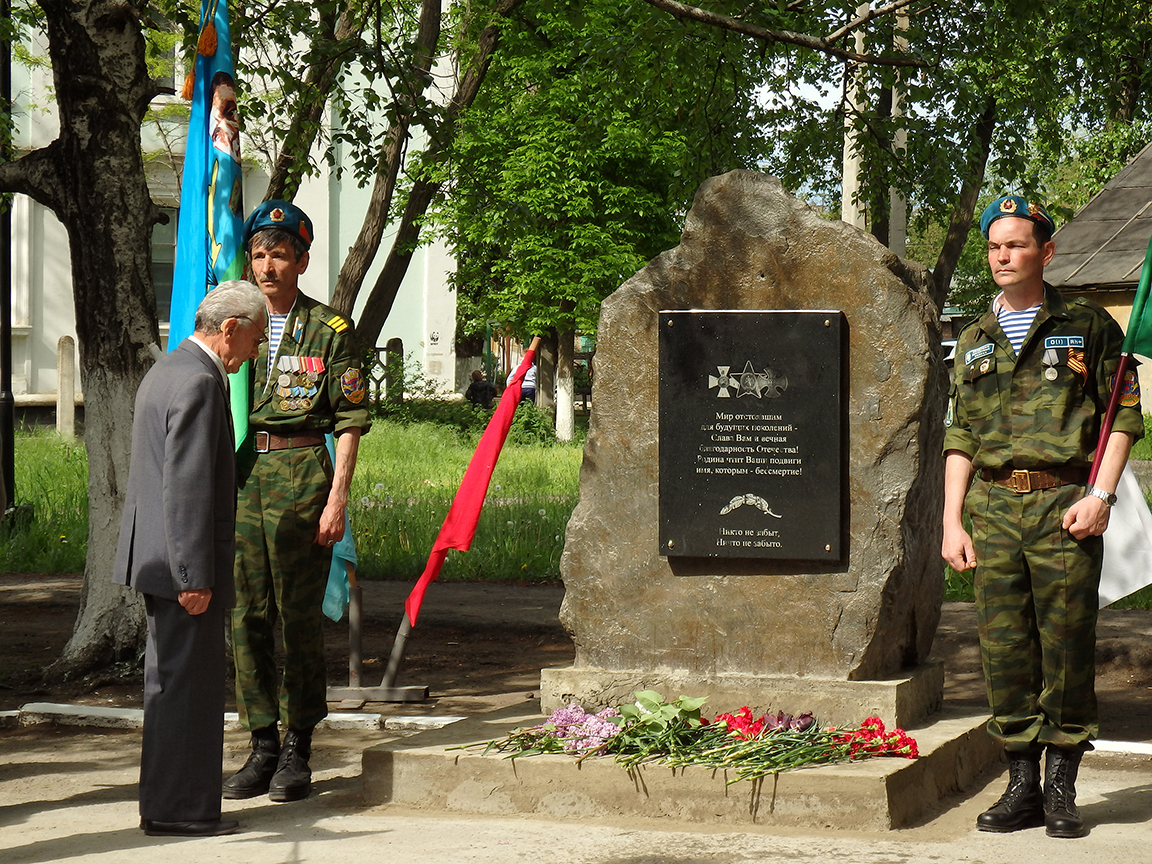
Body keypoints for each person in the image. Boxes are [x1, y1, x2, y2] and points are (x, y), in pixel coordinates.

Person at [942, 195, 1143, 839]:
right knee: (1003, 649)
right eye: (994, 247)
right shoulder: (973, 339)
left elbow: (1121, 417)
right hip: (994, 509)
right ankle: (1021, 784)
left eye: (1016, 245)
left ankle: (1061, 786)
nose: (1002, 256)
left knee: (1065, 645)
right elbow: (960, 436)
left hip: (1064, 507)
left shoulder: (1087, 325)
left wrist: (1101, 496)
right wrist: (951, 521)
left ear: (1045, 252)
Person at [224, 199, 371, 803]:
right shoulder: (234, 322)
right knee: (246, 614)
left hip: (305, 471)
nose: (267, 266)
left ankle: (297, 745)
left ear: (302, 261)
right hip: (245, 473)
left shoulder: (329, 329)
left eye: (280, 255)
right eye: (259, 254)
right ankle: (260, 741)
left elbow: (350, 422)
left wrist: (337, 500)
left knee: (298, 616)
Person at [113, 280, 267, 837]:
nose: (256, 350)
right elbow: (187, 487)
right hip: (182, 567)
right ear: (229, 328)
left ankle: (166, 805)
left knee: (170, 685)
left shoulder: (169, 368)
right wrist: (193, 575)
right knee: (188, 691)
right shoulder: (200, 381)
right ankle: (181, 812)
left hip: (157, 556)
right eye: (255, 337)